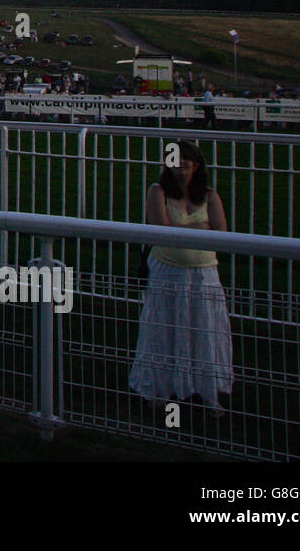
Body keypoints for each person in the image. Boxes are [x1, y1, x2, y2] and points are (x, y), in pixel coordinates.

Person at [129, 140, 233, 415]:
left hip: (204, 273)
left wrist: (190, 228)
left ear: (196, 166)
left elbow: (222, 233)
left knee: (205, 331)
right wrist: (201, 227)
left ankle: (208, 392)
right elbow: (161, 228)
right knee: (164, 328)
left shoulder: (209, 195)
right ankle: (159, 389)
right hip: (167, 270)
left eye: (185, 161)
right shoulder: (158, 191)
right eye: (174, 161)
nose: (180, 166)